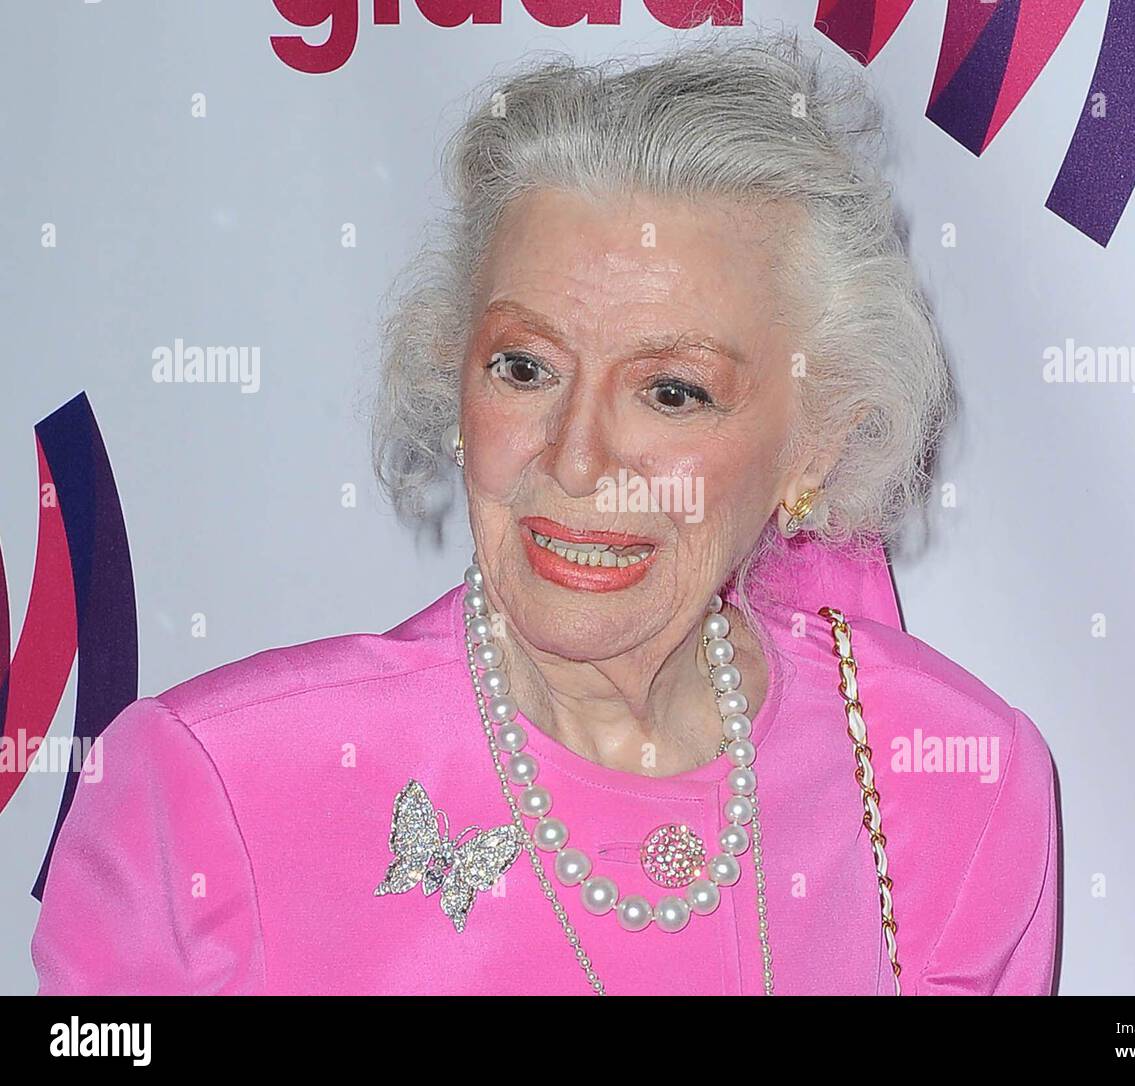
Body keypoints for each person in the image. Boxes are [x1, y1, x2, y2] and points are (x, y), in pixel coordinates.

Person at [32, 31, 1058, 995]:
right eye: (524, 368)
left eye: (672, 391)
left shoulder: (950, 778)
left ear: (818, 443)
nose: (575, 458)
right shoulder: (216, 787)